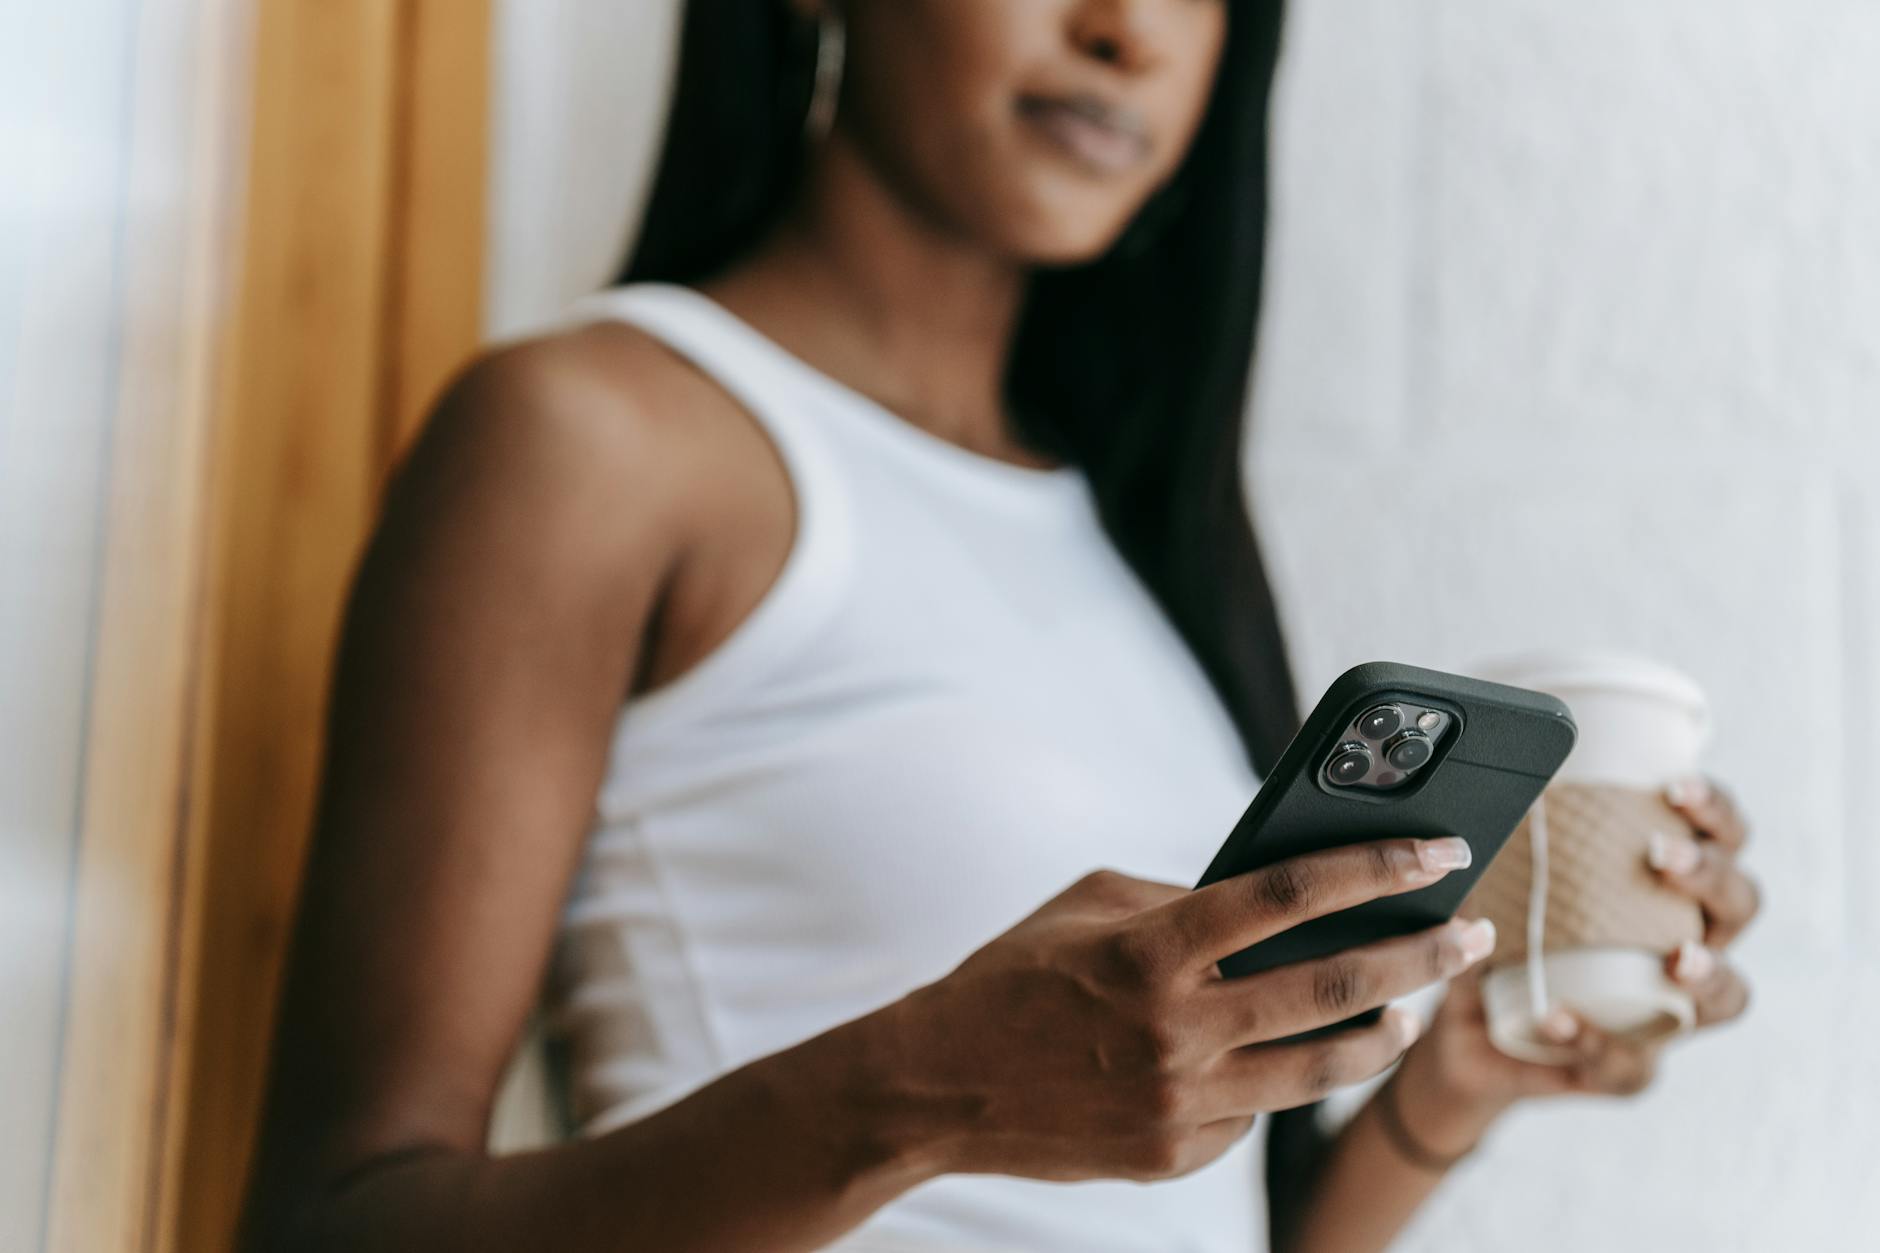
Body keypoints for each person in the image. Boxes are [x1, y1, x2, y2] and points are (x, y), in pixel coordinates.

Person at [239, 2, 1762, 1251]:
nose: (1128, 35)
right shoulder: (594, 438)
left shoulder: (1132, 535)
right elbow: (332, 1224)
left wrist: (1444, 1094)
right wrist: (927, 1092)